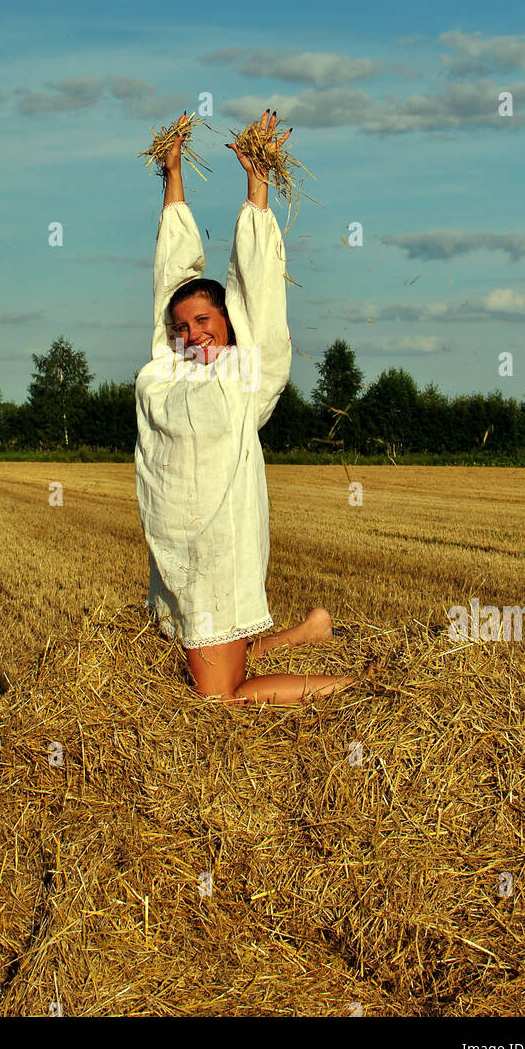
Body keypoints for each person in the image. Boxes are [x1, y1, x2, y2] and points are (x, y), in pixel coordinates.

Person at [134, 109, 356, 705]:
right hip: (180, 557)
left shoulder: (243, 373)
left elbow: (257, 288)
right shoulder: (165, 370)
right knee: (208, 664)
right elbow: (170, 277)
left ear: (228, 325)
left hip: (220, 554)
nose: (192, 333)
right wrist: (172, 173)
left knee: (218, 698)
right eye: (182, 327)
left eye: (204, 320)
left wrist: (257, 188)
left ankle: (356, 687)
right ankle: (311, 631)